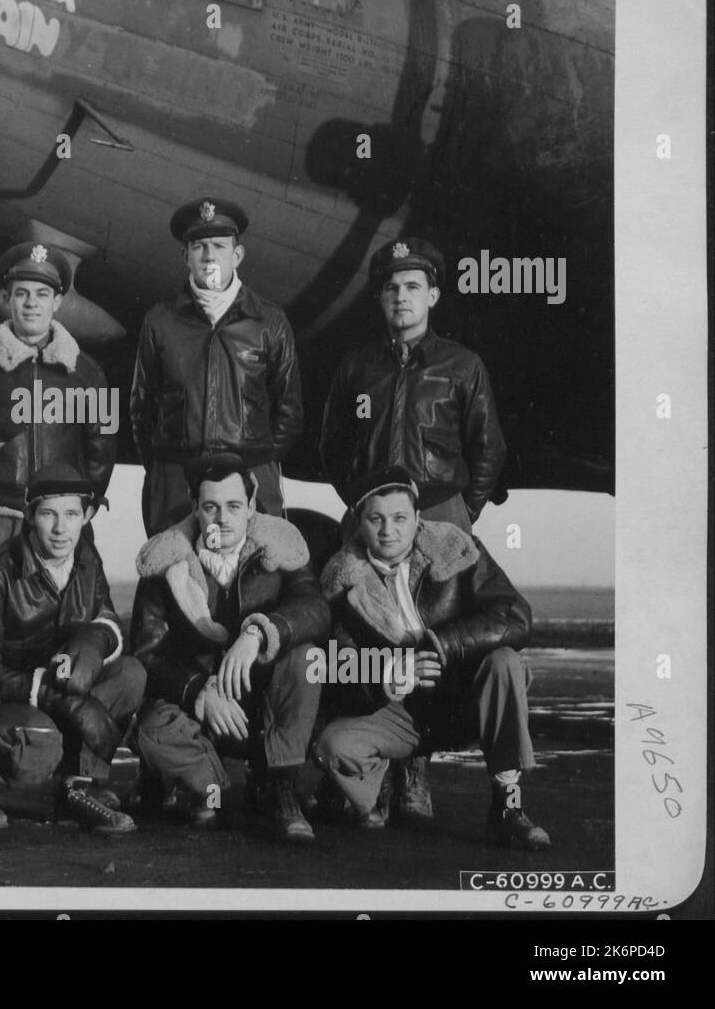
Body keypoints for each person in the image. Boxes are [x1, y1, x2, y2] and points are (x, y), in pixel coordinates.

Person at [312, 466, 550, 850]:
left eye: (400, 518)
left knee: (505, 661)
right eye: (376, 519)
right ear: (360, 523)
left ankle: (509, 807)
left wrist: (441, 644)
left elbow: (515, 616)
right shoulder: (342, 580)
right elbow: (339, 665)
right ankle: (381, 784)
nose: (388, 530)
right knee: (334, 745)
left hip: (462, 699)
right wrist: (386, 676)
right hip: (401, 712)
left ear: (418, 518)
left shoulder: (457, 550)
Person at [132, 454, 330, 841]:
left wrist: (260, 632)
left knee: (307, 659)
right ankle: (211, 789)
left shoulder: (282, 547)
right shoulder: (165, 559)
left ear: (252, 506)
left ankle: (280, 785)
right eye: (211, 507)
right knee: (153, 728)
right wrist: (199, 690)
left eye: (234, 506)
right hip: (201, 708)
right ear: (195, 509)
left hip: (261, 706)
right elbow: (146, 653)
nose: (222, 519)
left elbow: (315, 609)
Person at [0, 465, 145, 834]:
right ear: (30, 516)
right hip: (10, 700)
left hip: (62, 685)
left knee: (130, 674)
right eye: (48, 514)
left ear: (87, 516)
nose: (61, 529)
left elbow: (106, 615)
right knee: (37, 750)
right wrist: (54, 696)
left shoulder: (87, 557)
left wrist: (94, 642)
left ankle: (76, 787)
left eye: (71, 514)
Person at [130, 197, 303, 535]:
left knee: (257, 581)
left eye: (219, 246)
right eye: (199, 247)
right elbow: (141, 409)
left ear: (236, 255)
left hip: (250, 476)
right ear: (186, 256)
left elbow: (289, 411)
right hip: (177, 481)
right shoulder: (160, 321)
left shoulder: (268, 321)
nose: (209, 256)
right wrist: (167, 468)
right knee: (173, 577)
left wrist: (252, 464)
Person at [0, 242, 117, 580]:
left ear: (57, 302)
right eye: (21, 293)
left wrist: (89, 502)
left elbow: (104, 443)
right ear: (7, 300)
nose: (31, 303)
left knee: (69, 619)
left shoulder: (90, 372)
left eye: (41, 294)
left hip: (61, 519)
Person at [319, 236, 506, 535]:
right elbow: (332, 446)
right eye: (391, 288)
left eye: (412, 287)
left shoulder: (463, 365)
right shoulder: (356, 366)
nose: (400, 297)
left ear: (432, 296)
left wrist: (462, 511)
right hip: (372, 512)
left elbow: (489, 448)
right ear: (381, 298)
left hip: (440, 512)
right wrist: (358, 500)